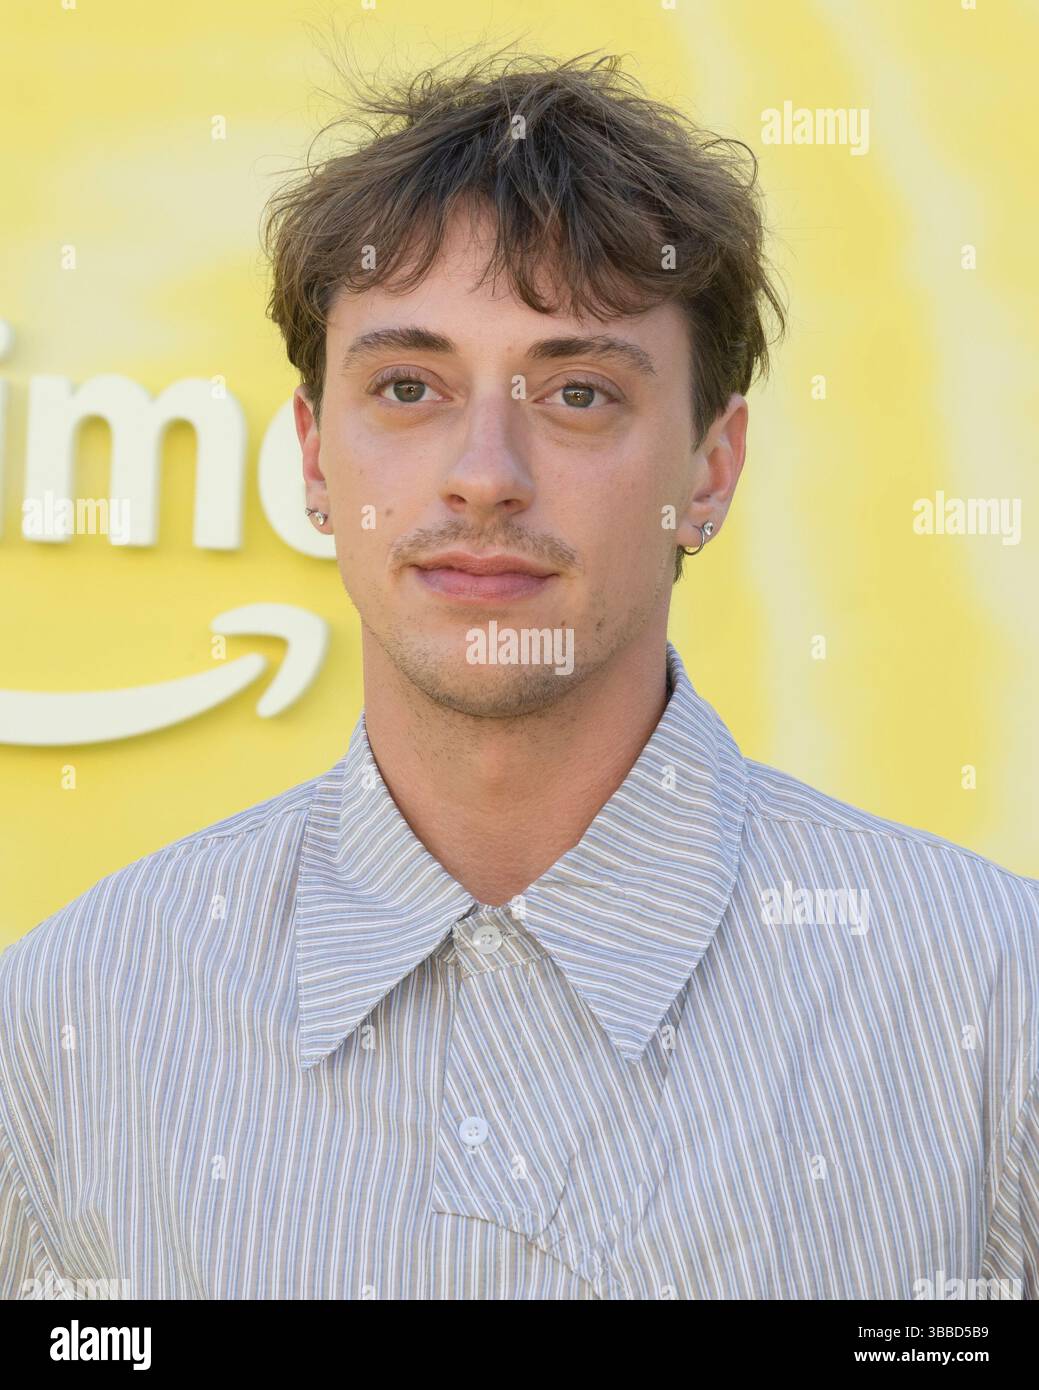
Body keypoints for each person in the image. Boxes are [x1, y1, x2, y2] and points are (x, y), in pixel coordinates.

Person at [1, 50, 1036, 1301]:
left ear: (708, 469)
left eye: (579, 391)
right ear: (317, 461)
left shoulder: (994, 999)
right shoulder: (69, 1019)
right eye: (407, 386)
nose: (482, 471)